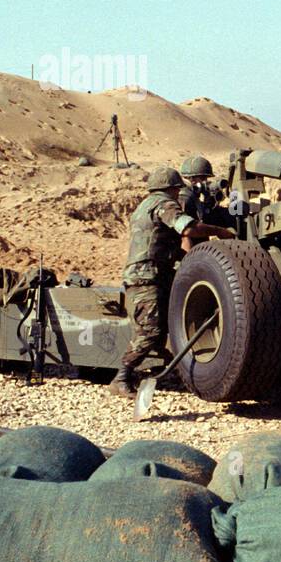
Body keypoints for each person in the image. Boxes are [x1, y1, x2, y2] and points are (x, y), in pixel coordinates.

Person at [109, 166, 234, 398]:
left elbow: (164, 243)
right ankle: (122, 377)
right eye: (178, 190)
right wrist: (221, 232)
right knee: (152, 330)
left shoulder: (145, 205)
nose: (179, 195)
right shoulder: (164, 204)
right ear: (172, 189)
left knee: (167, 322)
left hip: (151, 272)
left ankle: (170, 367)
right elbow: (187, 228)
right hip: (148, 276)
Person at [178, 155, 235, 228]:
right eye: (202, 178)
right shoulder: (184, 197)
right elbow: (187, 226)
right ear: (191, 178)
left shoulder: (192, 193)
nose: (205, 181)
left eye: (206, 178)